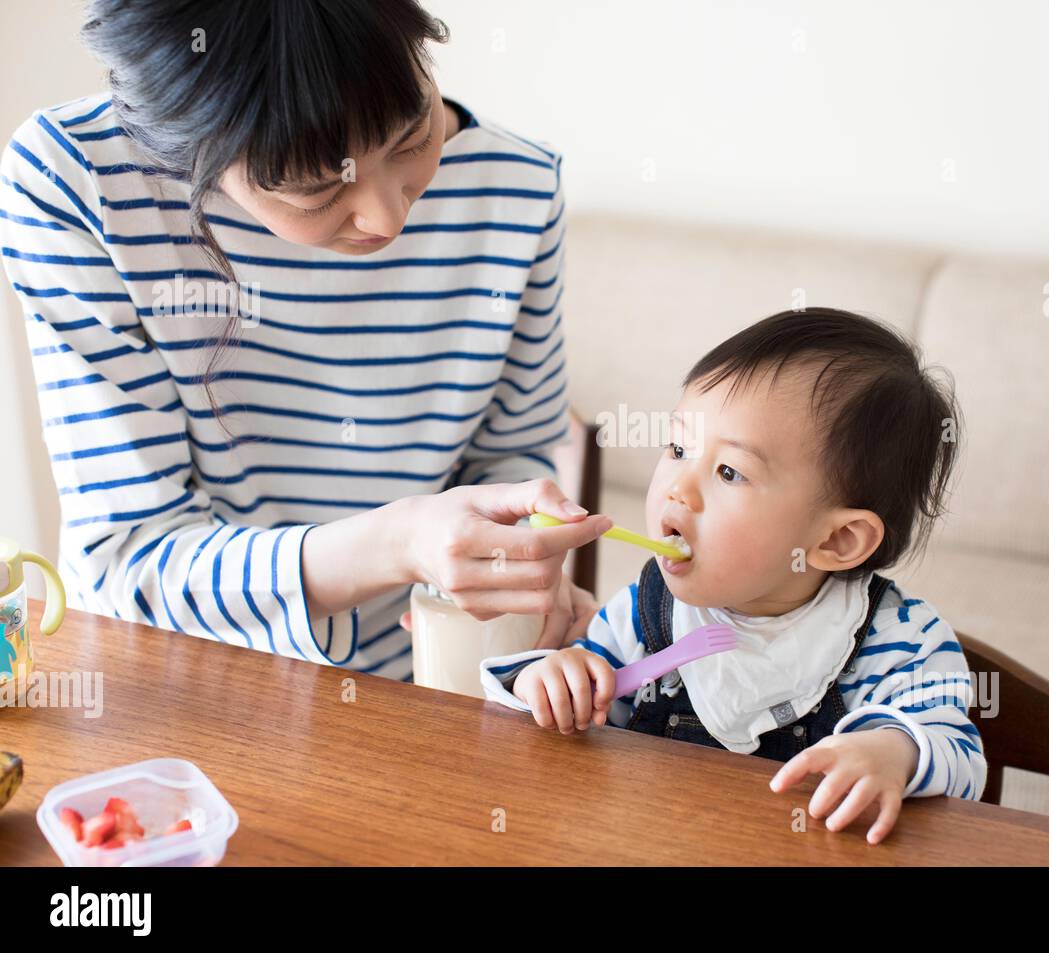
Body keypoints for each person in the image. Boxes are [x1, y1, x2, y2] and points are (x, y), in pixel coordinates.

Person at [0, 0, 612, 681]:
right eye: (316, 191)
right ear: (187, 159)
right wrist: (400, 542)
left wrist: (518, 561)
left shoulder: (516, 189)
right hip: (166, 688)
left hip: (413, 687)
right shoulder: (75, 180)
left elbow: (512, 467)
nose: (386, 217)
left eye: (413, 136)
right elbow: (131, 562)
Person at [482, 308, 987, 843]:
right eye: (678, 449)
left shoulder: (903, 641)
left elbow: (963, 761)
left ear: (836, 540)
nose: (678, 488)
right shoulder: (642, 612)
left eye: (729, 472)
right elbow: (569, 713)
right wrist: (552, 678)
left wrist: (895, 751)